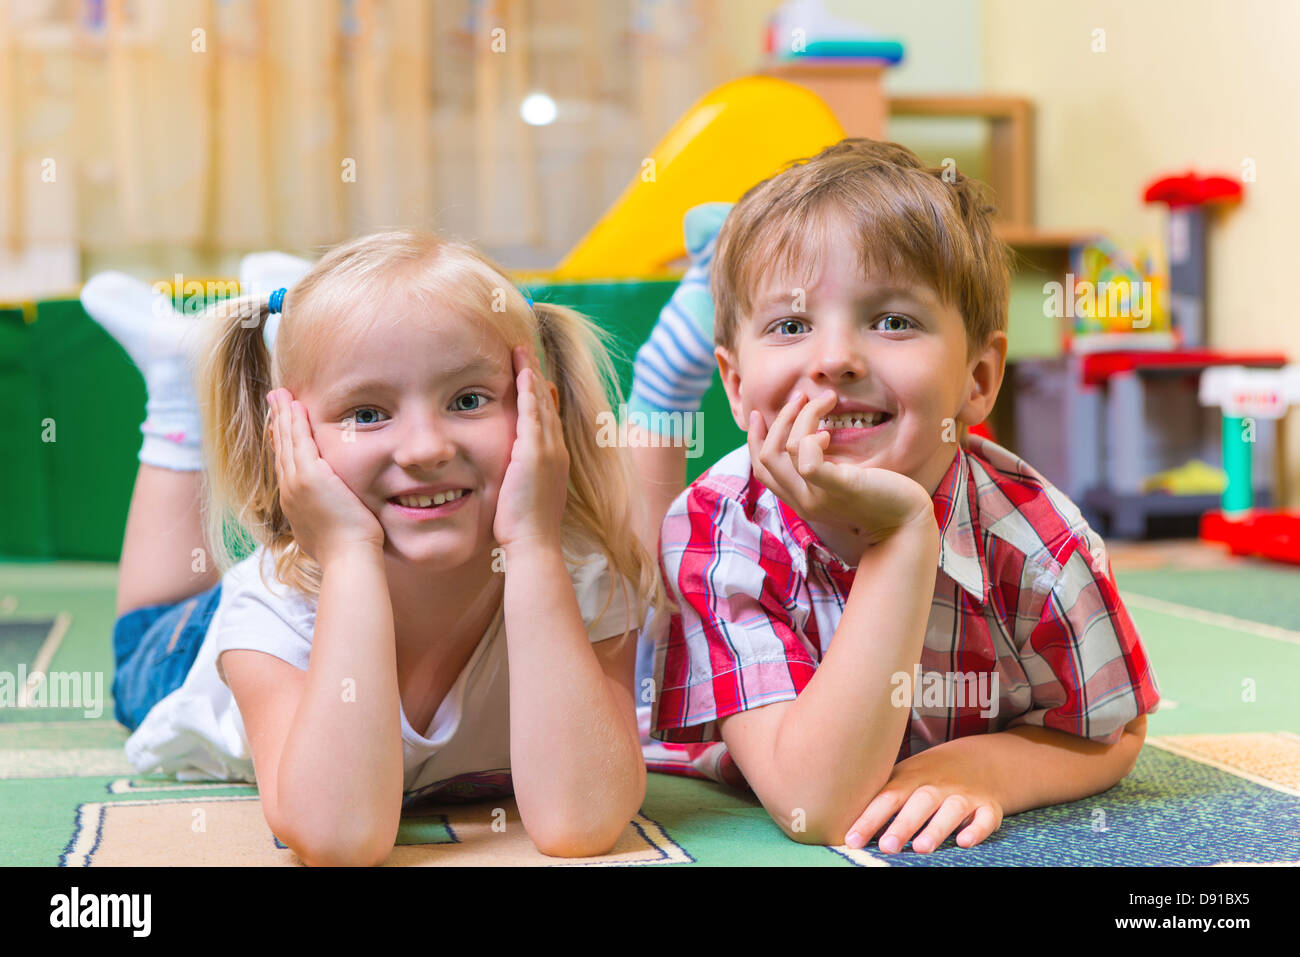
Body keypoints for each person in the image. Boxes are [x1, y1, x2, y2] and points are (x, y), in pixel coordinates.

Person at [629, 139, 1162, 854]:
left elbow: (1111, 726)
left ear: (978, 378)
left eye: (892, 321)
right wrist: (904, 535)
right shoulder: (716, 528)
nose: (835, 359)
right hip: (694, 716)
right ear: (734, 385)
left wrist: (986, 766)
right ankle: (684, 334)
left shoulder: (1042, 542)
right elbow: (814, 806)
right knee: (623, 585)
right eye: (791, 325)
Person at [83, 229, 663, 865]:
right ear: (290, 437)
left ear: (539, 415)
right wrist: (351, 556)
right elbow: (338, 837)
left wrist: (531, 545)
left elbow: (582, 823)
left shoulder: (579, 578)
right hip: (193, 651)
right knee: (140, 644)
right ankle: (176, 396)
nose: (425, 449)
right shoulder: (272, 609)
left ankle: (310, 326)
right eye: (367, 412)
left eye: (468, 400)